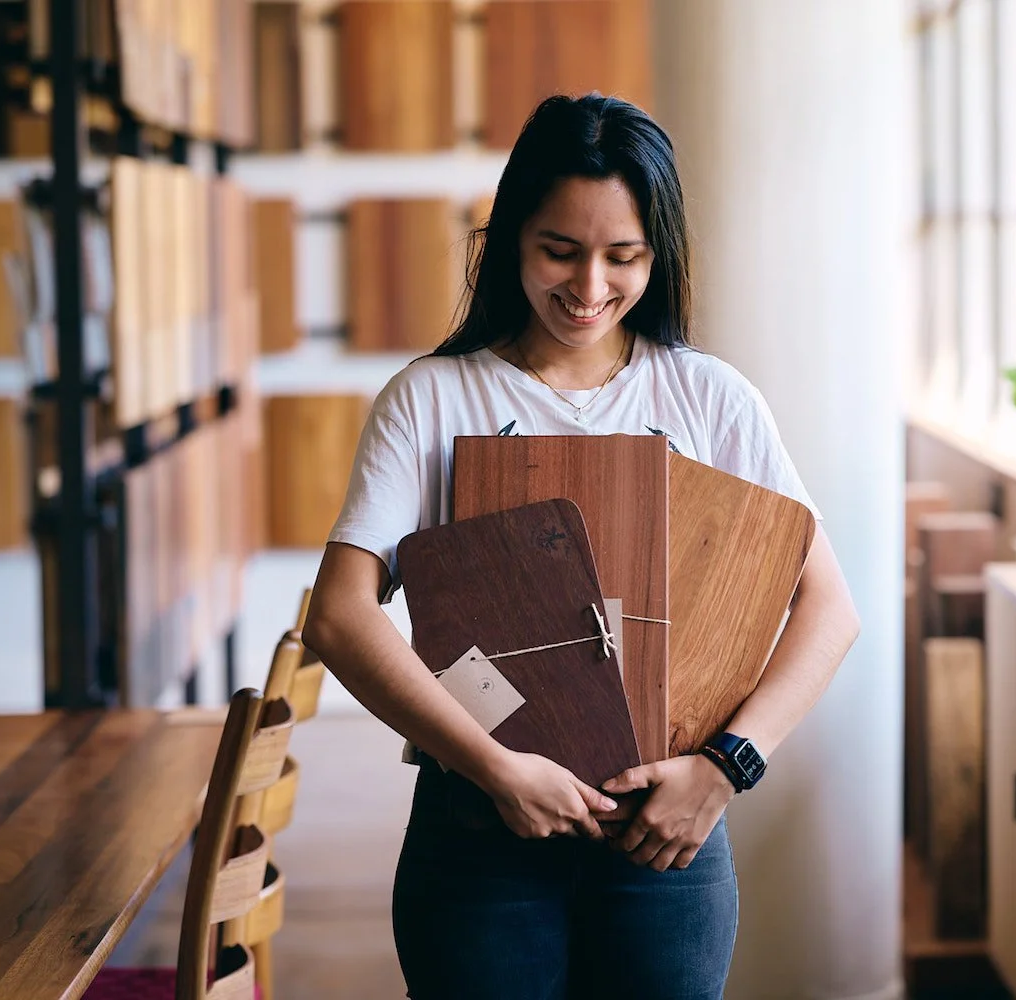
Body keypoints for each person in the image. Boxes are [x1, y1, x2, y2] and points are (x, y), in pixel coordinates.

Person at [302, 93, 860, 1000]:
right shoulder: (431, 398)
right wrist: (494, 768)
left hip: (668, 827)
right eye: (559, 250)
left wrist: (726, 769)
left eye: (623, 257)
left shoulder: (711, 398)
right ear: (511, 237)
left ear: (660, 255)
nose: (589, 287)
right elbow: (337, 617)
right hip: (479, 831)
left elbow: (830, 609)